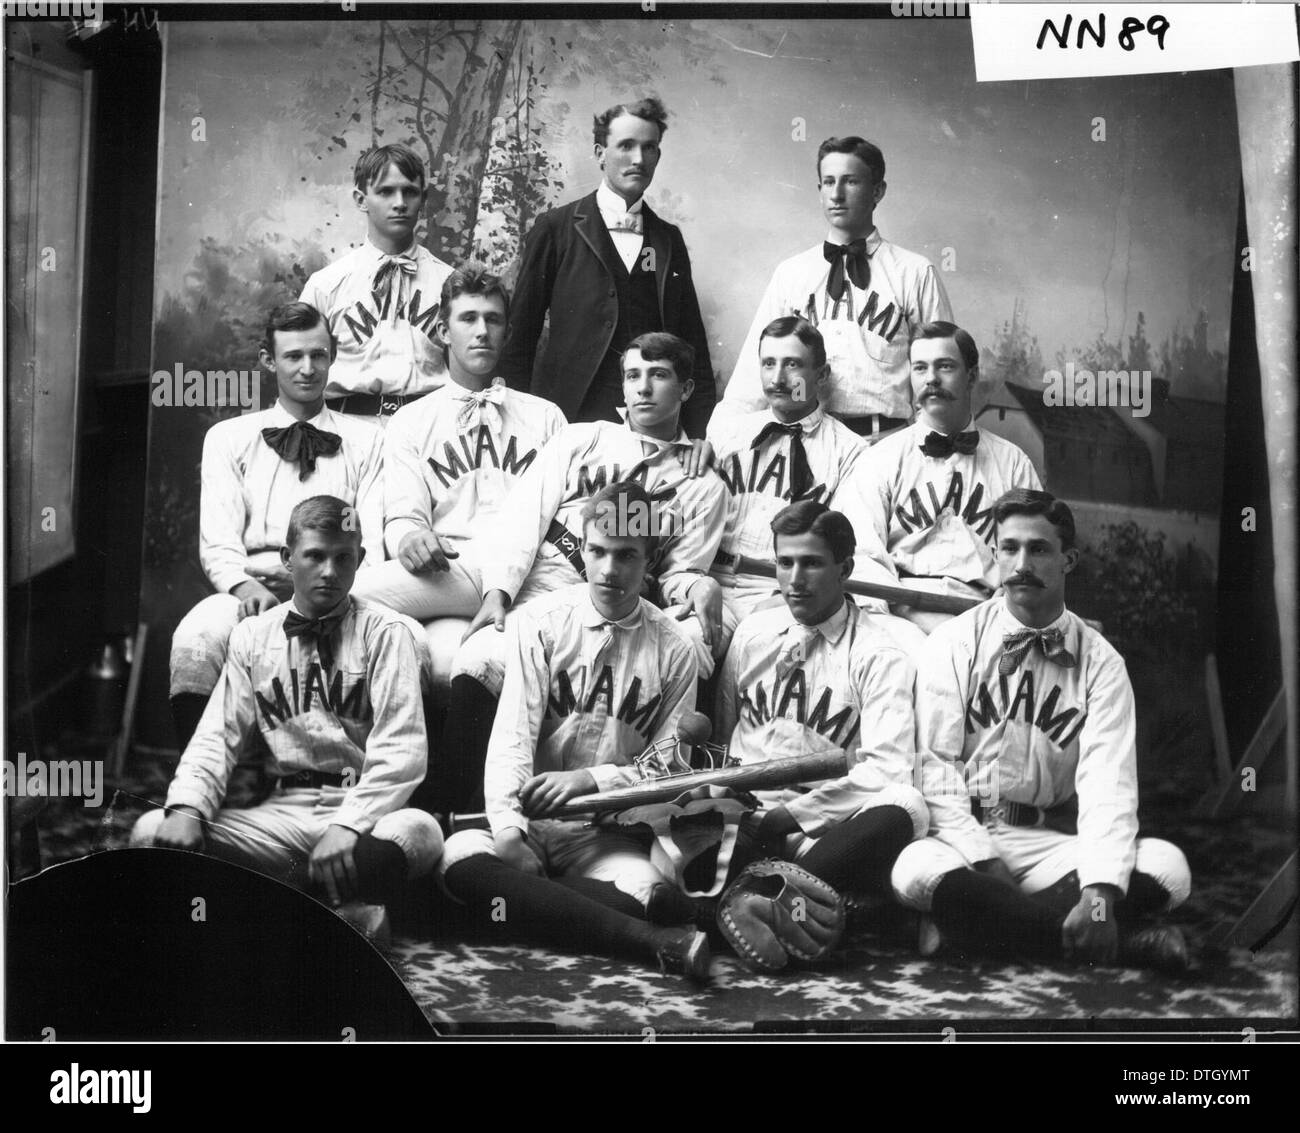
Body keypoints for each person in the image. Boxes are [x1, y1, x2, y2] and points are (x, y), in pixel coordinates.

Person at [890, 489, 1193, 973]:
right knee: (914, 870)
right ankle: (1119, 942)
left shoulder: (1101, 662)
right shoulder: (953, 641)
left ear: (1068, 559)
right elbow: (935, 769)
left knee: (1168, 867)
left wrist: (1097, 895)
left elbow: (1108, 787)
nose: (1021, 562)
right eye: (1009, 547)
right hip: (962, 835)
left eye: (1039, 549)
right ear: (995, 553)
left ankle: (976, 927)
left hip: (1046, 839)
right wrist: (986, 863)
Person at [440, 331, 728, 813]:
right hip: (543, 584)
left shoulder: (701, 482)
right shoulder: (583, 437)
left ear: (686, 390)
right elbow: (525, 516)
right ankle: (457, 808)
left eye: (658, 376)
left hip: (616, 598)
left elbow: (680, 569)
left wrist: (700, 582)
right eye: (633, 375)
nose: (642, 388)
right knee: (480, 659)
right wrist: (500, 591)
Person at [135, 496, 444, 939]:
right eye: (315, 556)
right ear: (287, 559)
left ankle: (281, 908)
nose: (330, 571)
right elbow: (216, 738)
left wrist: (348, 825)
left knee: (419, 833)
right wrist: (187, 807)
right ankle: (325, 911)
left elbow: (403, 752)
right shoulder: (253, 637)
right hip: (283, 813)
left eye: (344, 558)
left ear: (360, 560)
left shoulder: (388, 633)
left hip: (368, 815)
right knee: (151, 831)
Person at [438, 482, 711, 980]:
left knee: (650, 893)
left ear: (650, 558)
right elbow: (512, 736)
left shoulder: (675, 648)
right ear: (582, 547)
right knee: (460, 861)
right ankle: (647, 941)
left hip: (604, 835)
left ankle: (537, 908)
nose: (608, 570)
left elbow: (670, 767)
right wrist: (508, 831)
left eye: (626, 554)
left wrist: (594, 780)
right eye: (597, 551)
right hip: (529, 816)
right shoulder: (540, 622)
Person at [169, 302, 384, 754]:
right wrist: (243, 588)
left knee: (402, 641)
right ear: (269, 360)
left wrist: (332, 586)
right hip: (256, 586)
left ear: (332, 355)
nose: (308, 368)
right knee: (196, 639)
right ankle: (201, 785)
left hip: (338, 584)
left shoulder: (369, 440)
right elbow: (219, 542)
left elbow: (374, 540)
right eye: (293, 357)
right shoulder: (229, 438)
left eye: (318, 355)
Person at [348, 264, 565, 687]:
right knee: (443, 664)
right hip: (447, 572)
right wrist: (411, 539)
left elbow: (560, 516)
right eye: (468, 319)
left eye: (493, 319)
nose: (482, 331)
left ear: (506, 331)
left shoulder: (545, 417)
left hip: (527, 575)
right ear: (444, 332)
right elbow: (403, 515)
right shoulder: (411, 421)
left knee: (491, 664)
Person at [715, 502, 928, 918]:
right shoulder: (752, 634)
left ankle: (762, 900)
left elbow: (888, 768)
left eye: (811, 563)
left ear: (844, 569)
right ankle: (787, 902)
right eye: (785, 562)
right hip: (741, 818)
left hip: (820, 829)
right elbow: (722, 737)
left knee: (906, 804)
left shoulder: (877, 653)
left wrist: (793, 815)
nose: (794, 580)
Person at [497, 96, 715, 437]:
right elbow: (519, 336)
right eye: (626, 146)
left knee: (635, 495)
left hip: (651, 424)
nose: (638, 159)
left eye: (649, 147)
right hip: (569, 420)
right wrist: (516, 425)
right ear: (600, 153)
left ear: (658, 155)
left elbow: (693, 347)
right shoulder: (556, 228)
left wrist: (700, 435)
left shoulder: (668, 240)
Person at [706, 316, 923, 656]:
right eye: (768, 364)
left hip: (783, 591)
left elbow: (850, 544)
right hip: (715, 581)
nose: (778, 379)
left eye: (792, 365)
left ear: (821, 375)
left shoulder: (850, 452)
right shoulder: (726, 434)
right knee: (687, 641)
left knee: (757, 641)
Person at [716, 136, 952, 440]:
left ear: (877, 191)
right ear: (819, 191)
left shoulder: (915, 272)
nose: (837, 194)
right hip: (806, 441)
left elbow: (941, 375)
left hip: (883, 442)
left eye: (851, 182)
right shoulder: (792, 273)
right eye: (828, 182)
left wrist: (925, 451)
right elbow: (752, 371)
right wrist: (718, 437)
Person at [855, 321, 1044, 633]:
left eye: (945, 366)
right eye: (920, 368)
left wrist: (1007, 604)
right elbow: (862, 555)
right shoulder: (880, 460)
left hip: (984, 617)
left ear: (971, 376)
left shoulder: (1013, 464)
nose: (931, 379)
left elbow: (1036, 552)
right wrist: (895, 619)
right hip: (899, 617)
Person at [299, 143, 454, 421]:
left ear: (424, 198)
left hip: (430, 427)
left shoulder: (449, 283)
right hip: (348, 427)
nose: (399, 203)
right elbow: (299, 367)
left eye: (409, 191)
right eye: (385, 191)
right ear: (361, 199)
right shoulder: (327, 284)